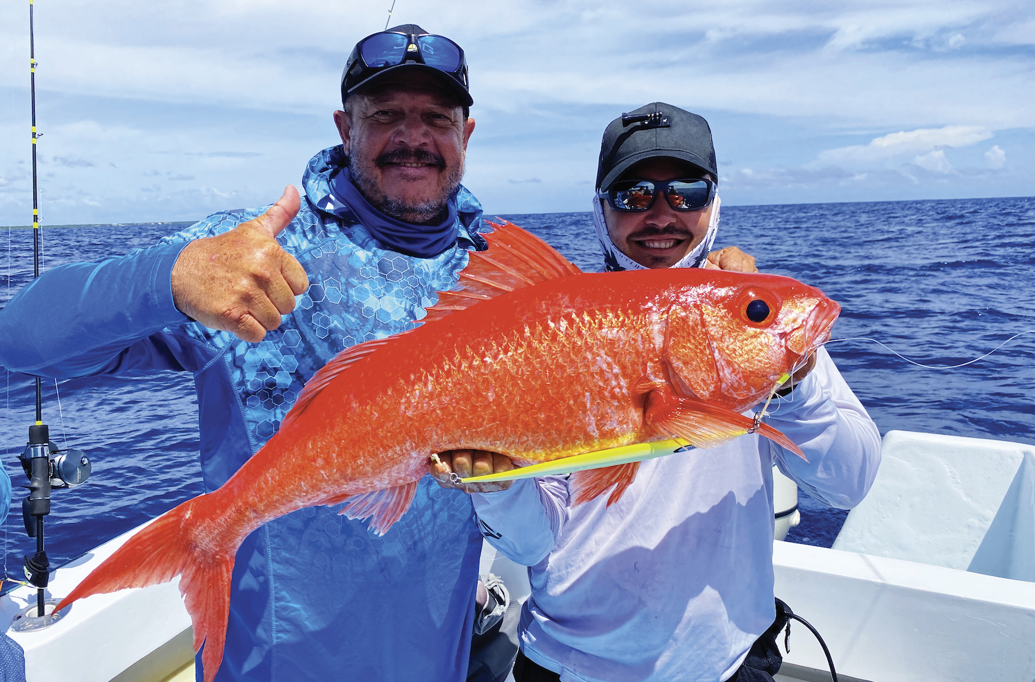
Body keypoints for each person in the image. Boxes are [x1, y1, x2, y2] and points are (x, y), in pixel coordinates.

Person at [0, 24, 505, 682]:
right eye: (385, 115)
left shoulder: (502, 275)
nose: (413, 136)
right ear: (344, 127)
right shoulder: (252, 257)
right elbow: (20, 339)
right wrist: (170, 279)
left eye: (436, 118)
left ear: (466, 134)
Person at [432, 102, 882, 682]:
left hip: (726, 665)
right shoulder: (547, 336)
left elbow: (849, 483)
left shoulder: (757, 329)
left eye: (687, 192)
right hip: (565, 665)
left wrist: (792, 380)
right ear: (602, 209)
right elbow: (528, 546)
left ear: (714, 204)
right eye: (634, 194)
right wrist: (497, 485)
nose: (662, 214)